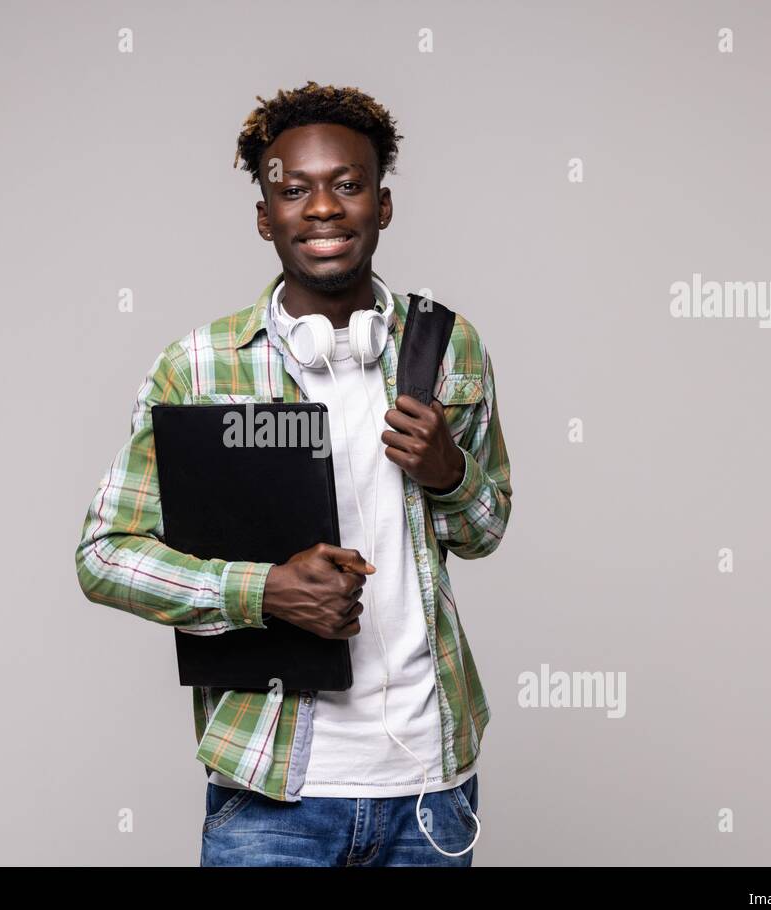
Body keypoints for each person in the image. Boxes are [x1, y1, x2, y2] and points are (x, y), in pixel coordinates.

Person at [75, 81, 512, 866]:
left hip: (431, 788)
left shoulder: (449, 348)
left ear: (381, 205)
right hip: (273, 791)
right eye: (293, 189)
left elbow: (483, 533)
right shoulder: (199, 366)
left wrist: (452, 472)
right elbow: (104, 555)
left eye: (347, 185)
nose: (321, 208)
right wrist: (262, 589)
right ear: (264, 216)